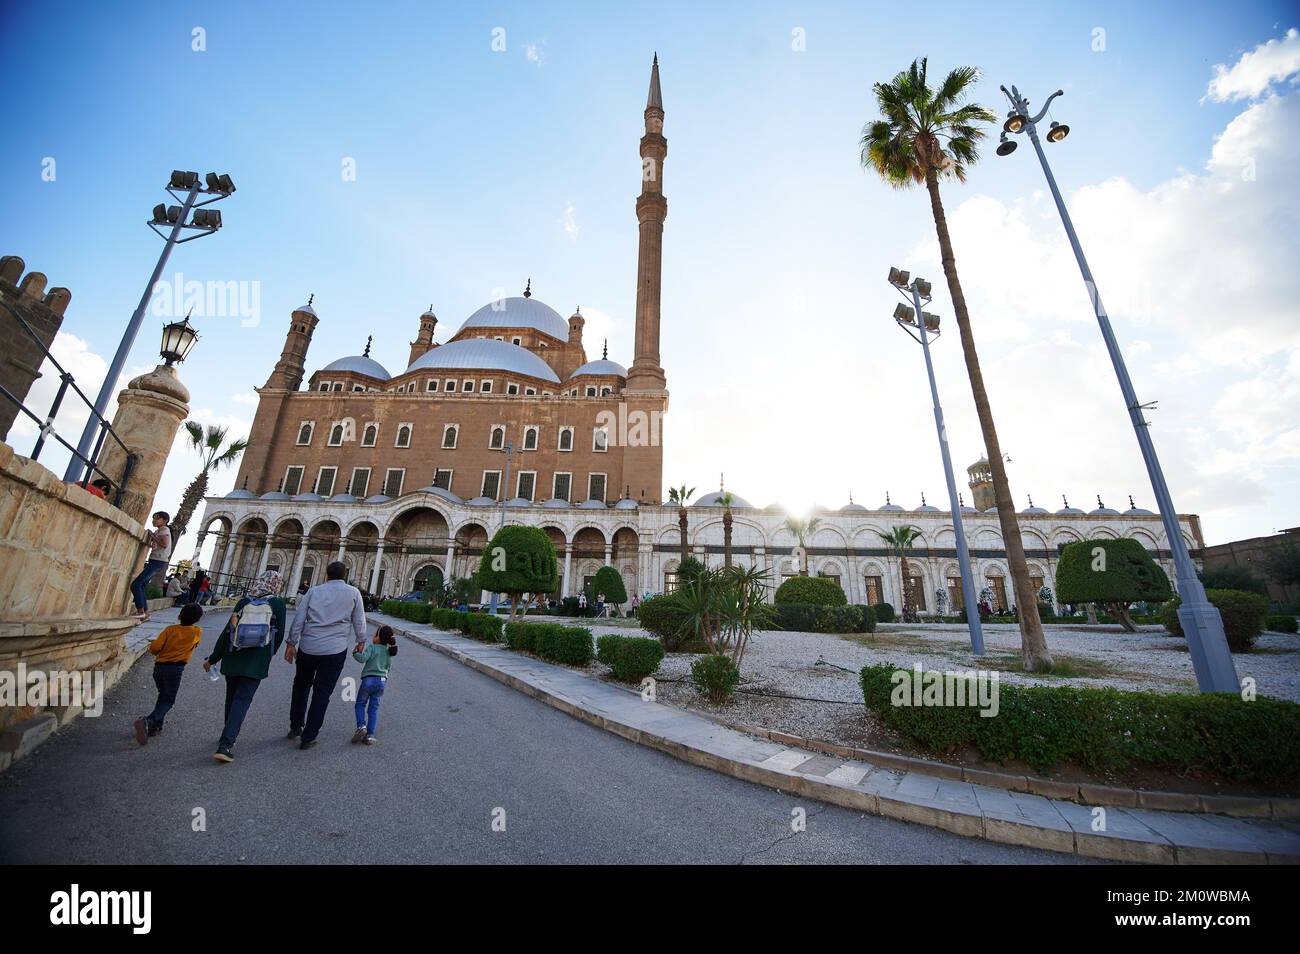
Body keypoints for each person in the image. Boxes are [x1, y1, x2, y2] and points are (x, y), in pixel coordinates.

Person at [204, 570, 287, 763]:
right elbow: (279, 634)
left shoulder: (244, 602)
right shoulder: (277, 604)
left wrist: (214, 658)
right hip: (256, 660)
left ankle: (227, 733)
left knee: (232, 698)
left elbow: (227, 633)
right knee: (242, 700)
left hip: (234, 657)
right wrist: (267, 655)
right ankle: (226, 744)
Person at [285, 561, 366, 750]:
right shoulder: (353, 593)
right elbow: (359, 619)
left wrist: (291, 642)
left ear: (326, 575)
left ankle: (296, 726)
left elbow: (299, 618)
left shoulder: (314, 591)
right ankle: (309, 736)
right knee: (322, 692)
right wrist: (361, 640)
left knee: (301, 686)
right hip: (335, 650)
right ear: (345, 575)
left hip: (308, 647)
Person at [133, 602, 204, 745]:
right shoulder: (197, 632)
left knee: (163, 695)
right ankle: (148, 721)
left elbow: (154, 648)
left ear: (180, 615)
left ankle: (155, 727)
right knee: (168, 700)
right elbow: (194, 644)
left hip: (159, 667)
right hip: (175, 669)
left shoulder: (170, 629)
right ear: (197, 619)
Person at [352, 625, 397, 745]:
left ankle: (361, 726)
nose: (373, 636)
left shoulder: (372, 647)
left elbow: (362, 658)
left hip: (368, 680)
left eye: (375, 634)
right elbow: (388, 668)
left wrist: (355, 652)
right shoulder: (388, 652)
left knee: (360, 704)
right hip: (381, 682)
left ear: (378, 637)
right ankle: (370, 736)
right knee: (373, 709)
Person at [129, 512, 172, 620]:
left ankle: (140, 611)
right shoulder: (159, 531)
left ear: (164, 520)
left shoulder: (164, 530)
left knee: (136, 584)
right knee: (142, 585)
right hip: (155, 560)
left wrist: (152, 535)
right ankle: (145, 612)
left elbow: (164, 544)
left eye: (157, 518)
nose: (154, 520)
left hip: (158, 561)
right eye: (153, 518)